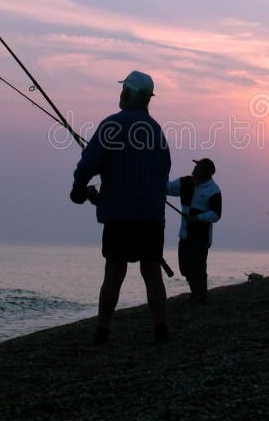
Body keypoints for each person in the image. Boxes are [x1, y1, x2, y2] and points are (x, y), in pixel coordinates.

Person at [70, 70, 171, 345]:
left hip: (120, 217)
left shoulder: (112, 125)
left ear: (128, 93)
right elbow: (163, 172)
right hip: (151, 217)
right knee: (152, 272)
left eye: (123, 89)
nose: (121, 93)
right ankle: (160, 329)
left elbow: (87, 166)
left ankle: (102, 330)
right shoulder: (156, 132)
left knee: (114, 272)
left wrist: (79, 192)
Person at [167, 158, 222, 303]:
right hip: (185, 234)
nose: (194, 169)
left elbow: (216, 214)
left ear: (206, 172)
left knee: (198, 266)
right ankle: (196, 293)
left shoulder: (214, 190)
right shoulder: (186, 182)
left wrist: (197, 218)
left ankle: (200, 295)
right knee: (185, 267)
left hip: (201, 237)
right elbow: (168, 188)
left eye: (198, 167)